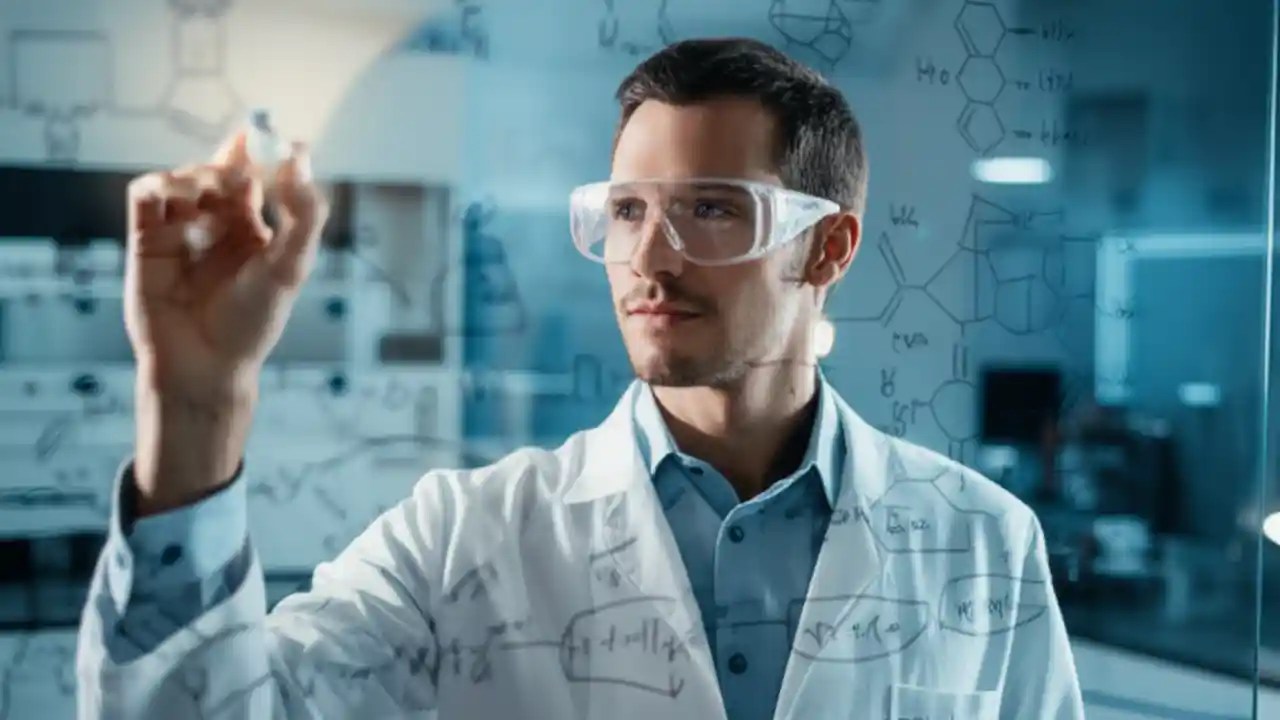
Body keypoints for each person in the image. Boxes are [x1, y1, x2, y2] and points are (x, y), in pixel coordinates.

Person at [77, 37, 1084, 720]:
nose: (647, 258)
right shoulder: (460, 540)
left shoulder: (980, 540)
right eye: (627, 210)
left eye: (711, 209)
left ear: (826, 249)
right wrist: (195, 407)